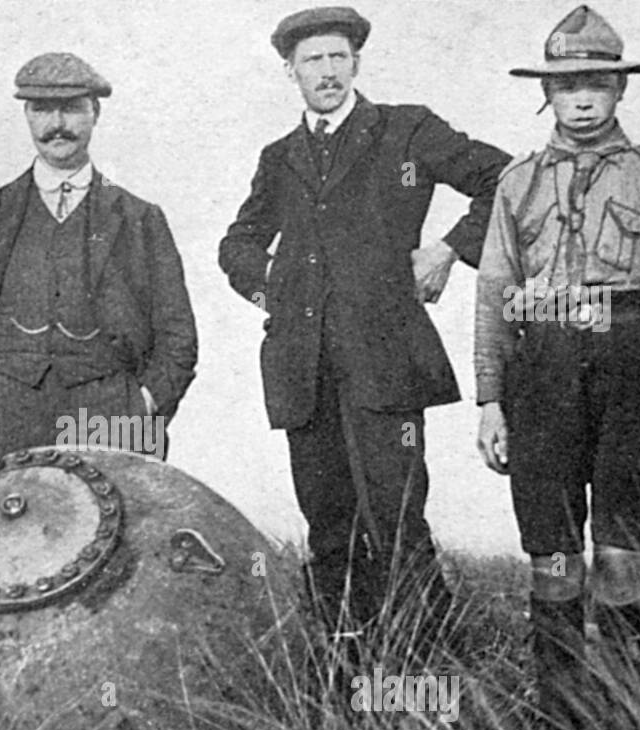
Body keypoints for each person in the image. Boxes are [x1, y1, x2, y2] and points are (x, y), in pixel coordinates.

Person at [218, 7, 509, 636]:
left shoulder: (406, 131)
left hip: (386, 361)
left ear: (356, 63)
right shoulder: (281, 156)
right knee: (328, 527)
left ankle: (422, 666)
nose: (326, 71)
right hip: (304, 369)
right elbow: (236, 244)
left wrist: (450, 248)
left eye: (337, 57)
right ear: (289, 71)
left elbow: (507, 180)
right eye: (312, 61)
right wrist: (273, 285)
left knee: (397, 517)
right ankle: (338, 669)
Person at [474, 5, 640, 730]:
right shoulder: (516, 182)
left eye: (596, 84)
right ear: (548, 94)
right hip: (540, 368)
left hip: (632, 362)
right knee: (552, 564)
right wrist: (489, 401)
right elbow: (495, 295)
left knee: (618, 562)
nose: (581, 99)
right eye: (567, 85)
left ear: (617, 89)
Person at [0, 53, 198, 476]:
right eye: (41, 109)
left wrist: (143, 405)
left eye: (71, 108)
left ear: (94, 113)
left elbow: (177, 335)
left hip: (110, 421)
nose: (56, 123)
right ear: (27, 115)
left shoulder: (139, 219)